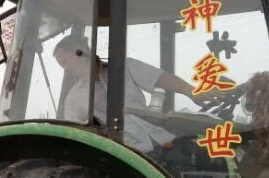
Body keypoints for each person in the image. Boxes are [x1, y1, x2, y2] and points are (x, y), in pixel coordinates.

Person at [53, 35, 219, 152]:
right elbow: (76, 134)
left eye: (66, 62)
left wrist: (190, 91)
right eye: (61, 65)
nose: (65, 69)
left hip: (159, 138)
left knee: (206, 157)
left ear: (81, 51)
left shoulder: (124, 67)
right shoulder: (74, 99)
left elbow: (159, 78)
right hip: (128, 154)